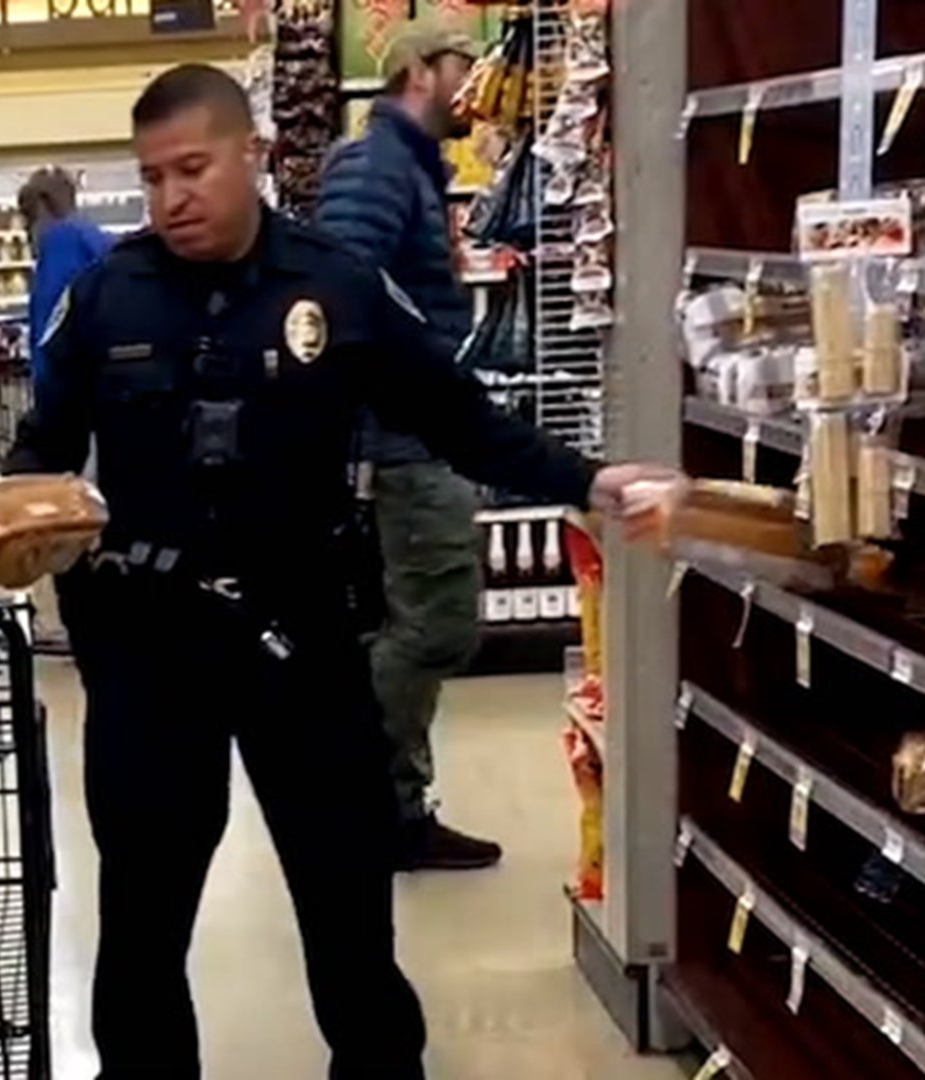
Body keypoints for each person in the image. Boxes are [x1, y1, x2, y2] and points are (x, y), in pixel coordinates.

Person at [6, 63, 666, 1079]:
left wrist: (585, 478)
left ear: (252, 155)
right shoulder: (105, 297)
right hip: (150, 653)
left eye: (192, 167)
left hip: (301, 642)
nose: (171, 197)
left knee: (348, 918)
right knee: (141, 929)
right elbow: (38, 456)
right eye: (151, 178)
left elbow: (458, 418)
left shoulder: (336, 286)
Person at [316, 27, 501, 871]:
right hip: (399, 440)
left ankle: (383, 802)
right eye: (463, 71)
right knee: (432, 626)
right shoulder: (374, 166)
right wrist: (414, 367)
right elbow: (340, 289)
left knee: (426, 624)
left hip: (418, 432)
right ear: (419, 72)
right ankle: (376, 805)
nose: (474, 89)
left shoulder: (410, 166)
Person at [18, 166, 116, 387]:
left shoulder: (60, 244)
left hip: (71, 394)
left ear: (43, 205)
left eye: (29, 218)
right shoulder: (96, 240)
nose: (28, 231)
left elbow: (52, 330)